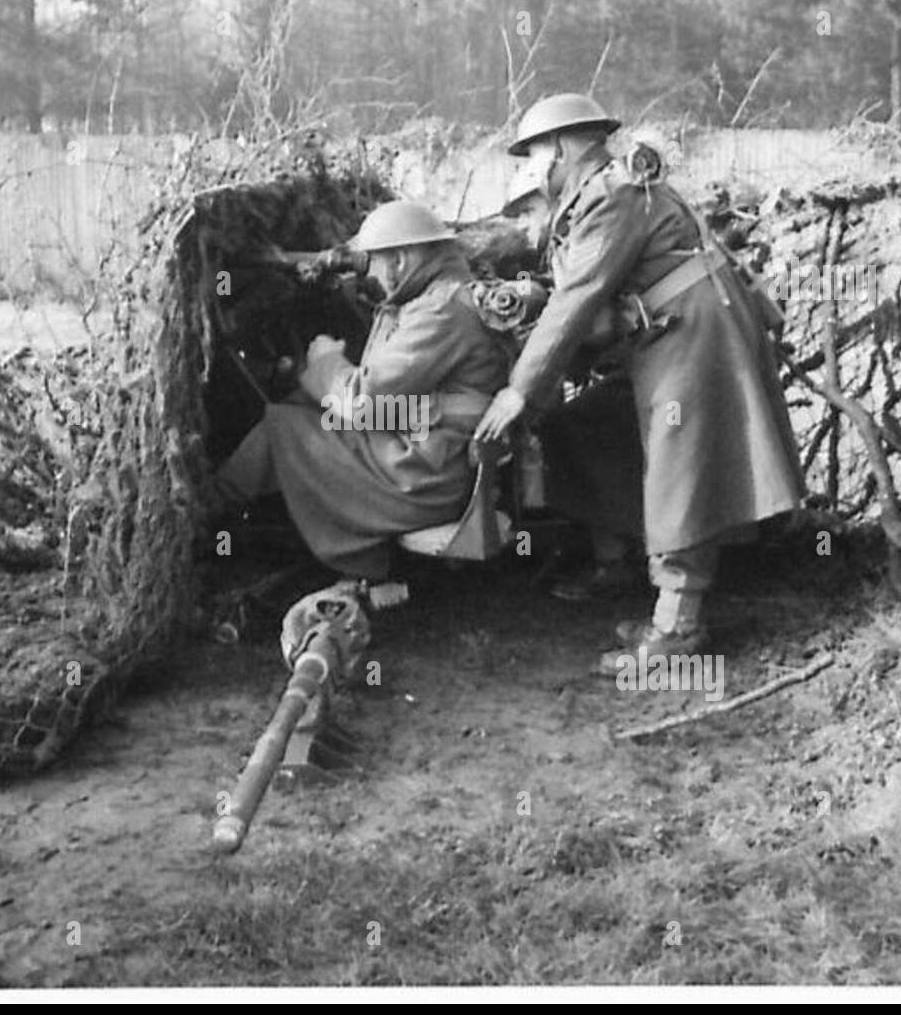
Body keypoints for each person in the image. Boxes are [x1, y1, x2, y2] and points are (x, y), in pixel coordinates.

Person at [476, 93, 806, 669]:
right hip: (675, 330)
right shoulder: (607, 194)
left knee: (677, 464)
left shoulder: (610, 195)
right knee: (590, 426)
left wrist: (518, 390)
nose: (532, 169)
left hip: (691, 333)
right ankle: (621, 562)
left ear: (560, 147)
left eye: (533, 154)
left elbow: (578, 298)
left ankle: (679, 628)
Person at [217, 200, 510, 580]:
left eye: (375, 261)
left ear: (401, 259)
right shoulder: (440, 295)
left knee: (282, 427)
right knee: (303, 414)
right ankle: (231, 506)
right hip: (425, 451)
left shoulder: (440, 310)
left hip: (423, 478)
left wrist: (325, 361)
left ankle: (210, 514)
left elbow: (363, 401)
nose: (372, 274)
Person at [499, 161, 646, 600]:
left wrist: (543, 352)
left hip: (644, 367)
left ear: (548, 202)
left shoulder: (582, 232)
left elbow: (595, 324)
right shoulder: (573, 236)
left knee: (567, 427)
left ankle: (613, 559)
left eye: (527, 212)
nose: (525, 226)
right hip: (642, 362)